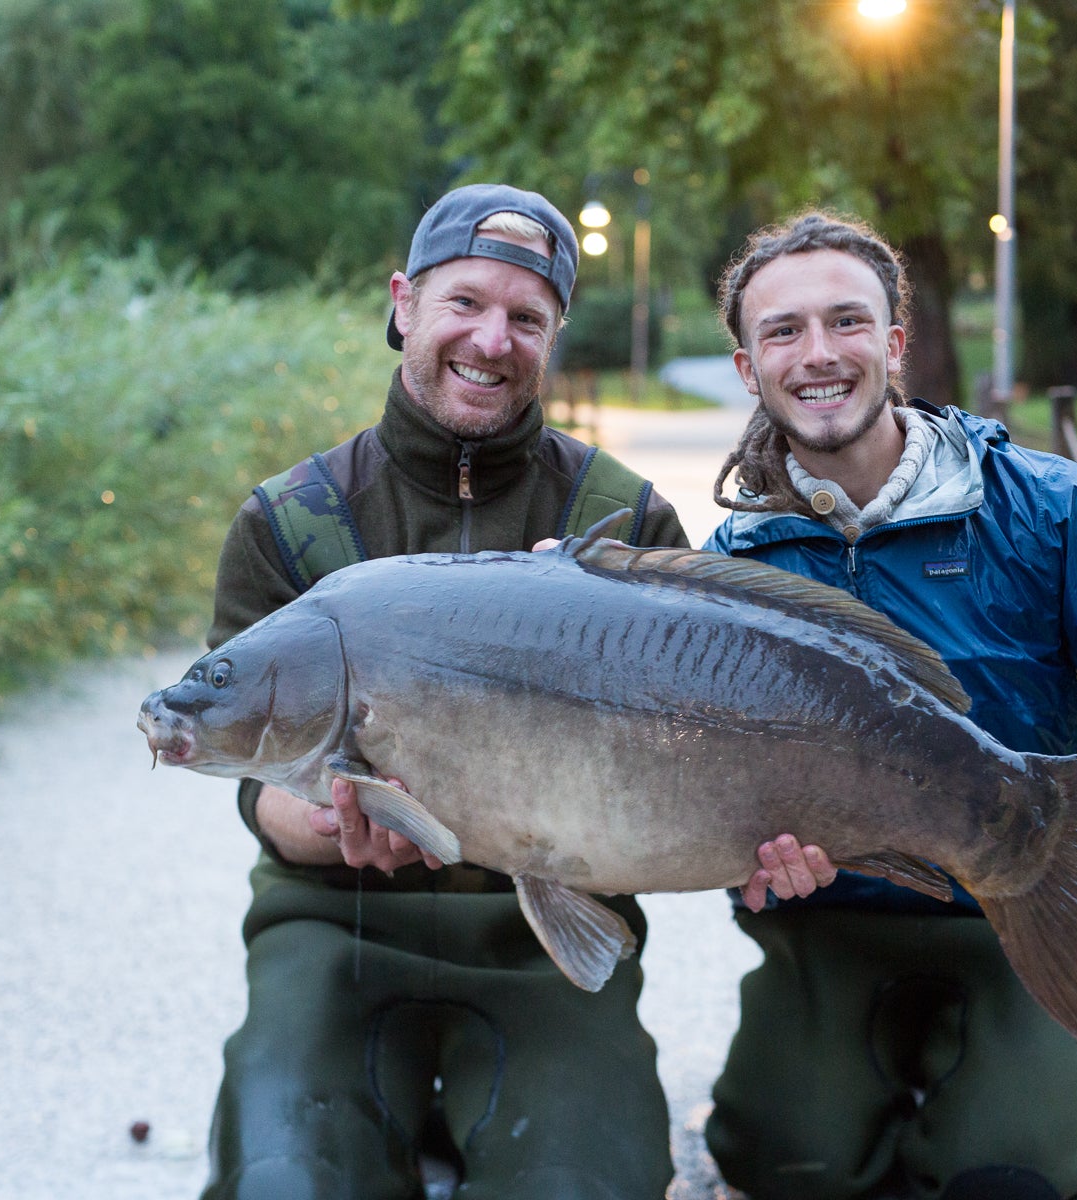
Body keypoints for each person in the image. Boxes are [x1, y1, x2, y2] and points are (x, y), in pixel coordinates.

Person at [700, 212, 1077, 1200]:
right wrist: (747, 867)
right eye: (784, 332)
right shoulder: (729, 572)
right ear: (750, 369)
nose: (819, 353)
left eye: (847, 322)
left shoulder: (1047, 509)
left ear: (894, 343)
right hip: (831, 924)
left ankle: (1022, 1062)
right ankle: (870, 1078)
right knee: (783, 1164)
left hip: (1017, 910)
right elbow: (710, 795)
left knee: (1013, 1176)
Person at [199, 183, 690, 1200]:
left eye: (526, 316)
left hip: (542, 946)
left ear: (553, 336)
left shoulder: (625, 521)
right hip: (338, 932)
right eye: (464, 302)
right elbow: (259, 795)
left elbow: (693, 758)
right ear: (403, 304)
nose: (492, 337)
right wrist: (336, 822)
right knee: (284, 1185)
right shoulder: (289, 522)